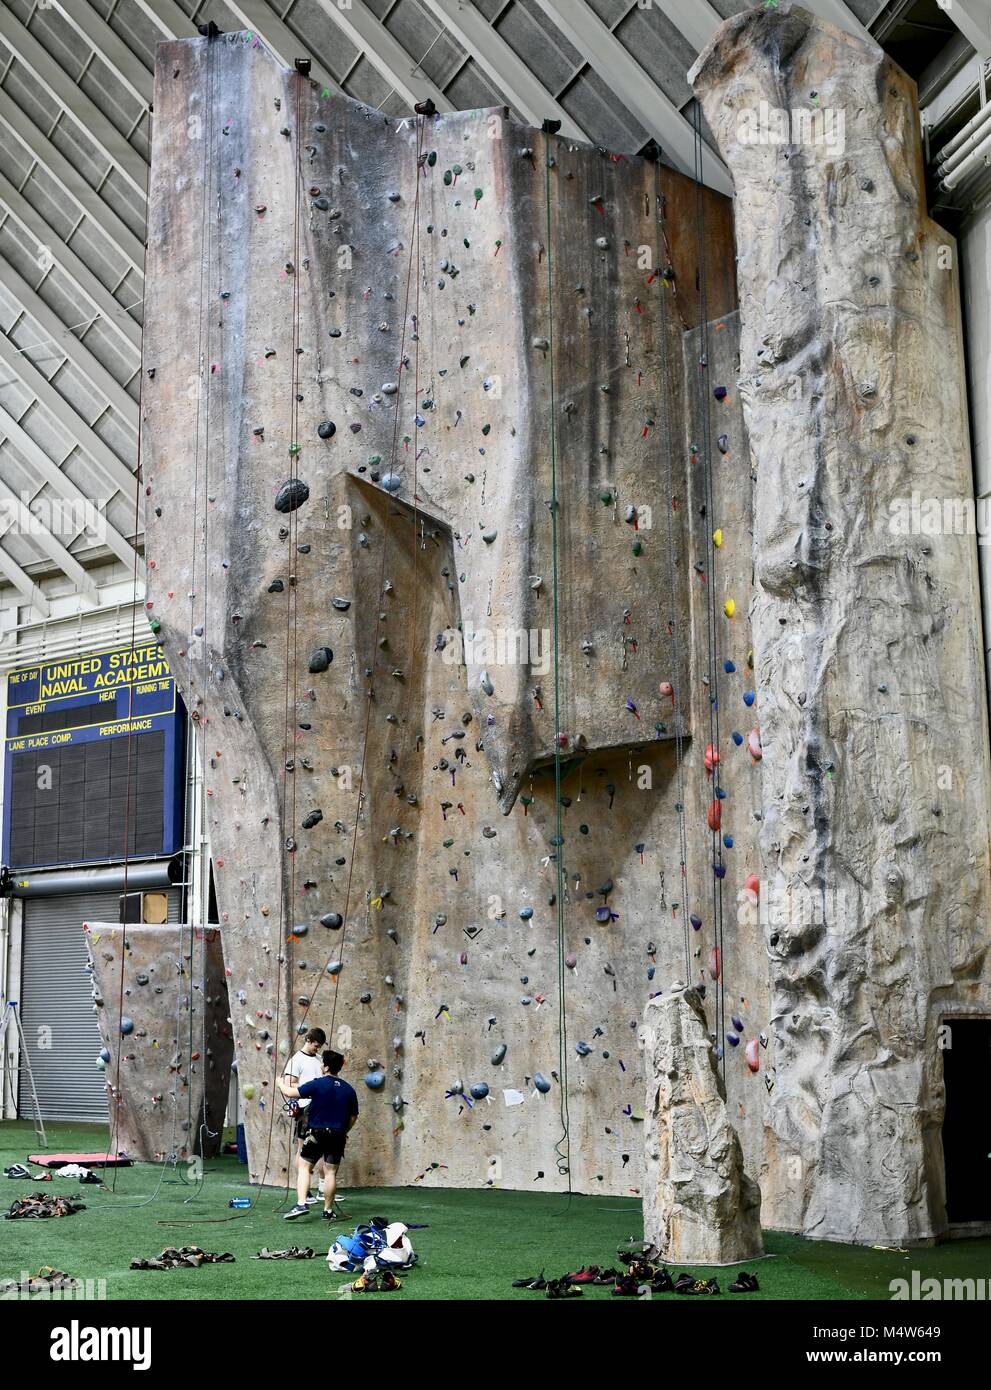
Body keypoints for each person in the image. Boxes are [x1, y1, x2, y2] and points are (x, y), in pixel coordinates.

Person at [278, 1049, 358, 1221]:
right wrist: (344, 1131)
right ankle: (328, 1211)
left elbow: (291, 1093)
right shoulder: (348, 1089)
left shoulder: (317, 1084)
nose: (321, 1065)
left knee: (304, 1166)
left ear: (326, 1067)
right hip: (338, 1135)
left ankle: (301, 1204)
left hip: (317, 1133)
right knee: (330, 1173)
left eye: (322, 1063)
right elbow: (353, 1116)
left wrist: (279, 1082)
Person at [284, 1028, 326, 1206]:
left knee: (323, 1148)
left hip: (319, 1108)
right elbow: (289, 1084)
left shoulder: (318, 1060)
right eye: (316, 1045)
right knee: (303, 1149)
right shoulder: (296, 1060)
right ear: (308, 1039)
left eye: (320, 1046)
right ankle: (305, 1192)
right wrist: (308, 1090)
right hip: (304, 1109)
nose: (318, 1048)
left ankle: (323, 1191)